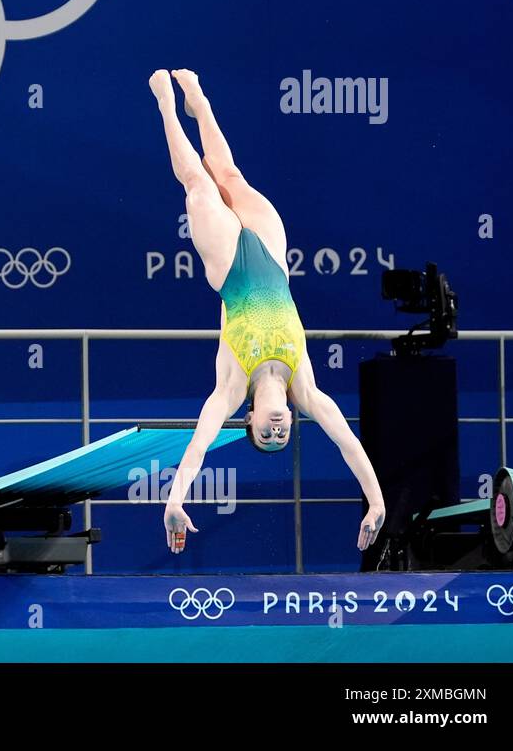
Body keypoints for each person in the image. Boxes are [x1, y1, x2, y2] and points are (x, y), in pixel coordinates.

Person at [147, 69, 385, 555]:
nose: (276, 431)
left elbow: (198, 446)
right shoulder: (306, 388)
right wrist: (376, 502)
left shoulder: (233, 389)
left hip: (231, 267)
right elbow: (347, 443)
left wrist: (175, 500)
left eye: (266, 435)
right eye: (283, 435)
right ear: (292, 419)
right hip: (274, 259)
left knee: (199, 182)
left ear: (251, 418)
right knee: (230, 175)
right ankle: (200, 99)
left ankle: (167, 105)